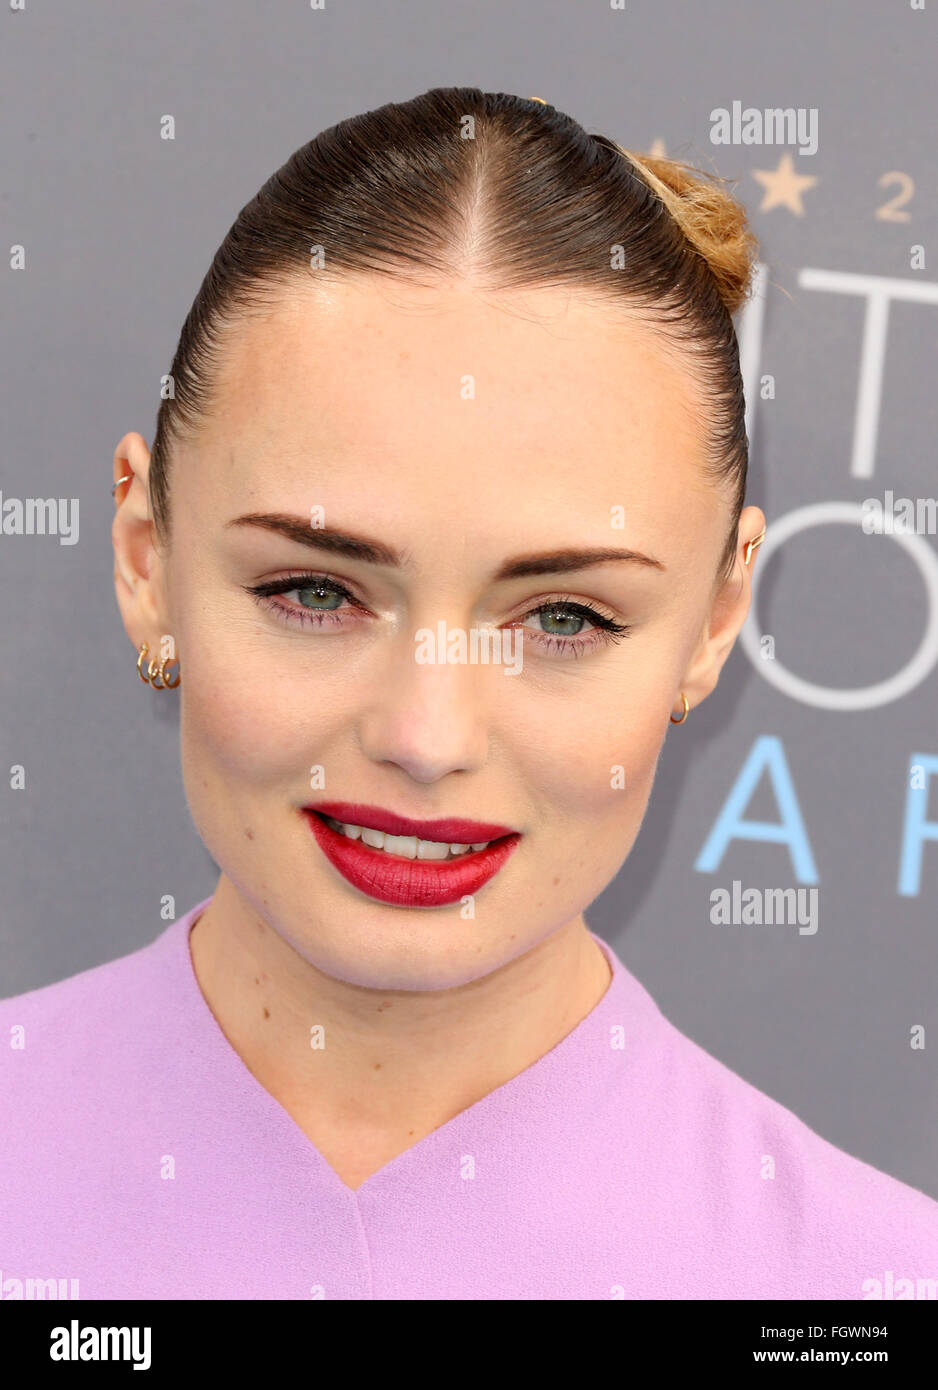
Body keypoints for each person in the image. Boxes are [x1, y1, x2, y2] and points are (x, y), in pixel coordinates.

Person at [2, 87, 935, 1301]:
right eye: (314, 592)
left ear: (713, 621)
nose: (425, 738)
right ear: (145, 560)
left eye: (562, 617)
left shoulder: (863, 1290)